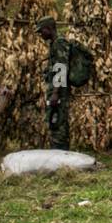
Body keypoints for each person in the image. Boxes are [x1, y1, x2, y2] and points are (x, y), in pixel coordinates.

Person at [35, 17, 74, 150]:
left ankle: (61, 153)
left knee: (59, 121)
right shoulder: (54, 44)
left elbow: (62, 67)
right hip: (55, 89)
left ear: (49, 29)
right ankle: (57, 151)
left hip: (59, 91)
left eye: (42, 31)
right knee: (54, 120)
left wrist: (56, 93)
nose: (41, 35)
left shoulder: (59, 43)